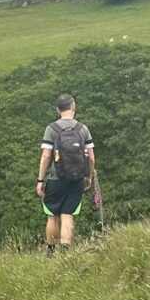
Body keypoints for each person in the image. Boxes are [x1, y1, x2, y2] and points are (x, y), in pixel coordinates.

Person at [36, 94, 94, 256]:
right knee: (67, 215)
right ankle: (66, 254)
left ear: (57, 109)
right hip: (76, 179)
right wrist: (88, 176)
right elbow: (91, 157)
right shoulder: (83, 129)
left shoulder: (51, 129)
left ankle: (50, 252)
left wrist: (40, 180)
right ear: (73, 107)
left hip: (55, 179)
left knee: (52, 216)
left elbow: (46, 156)